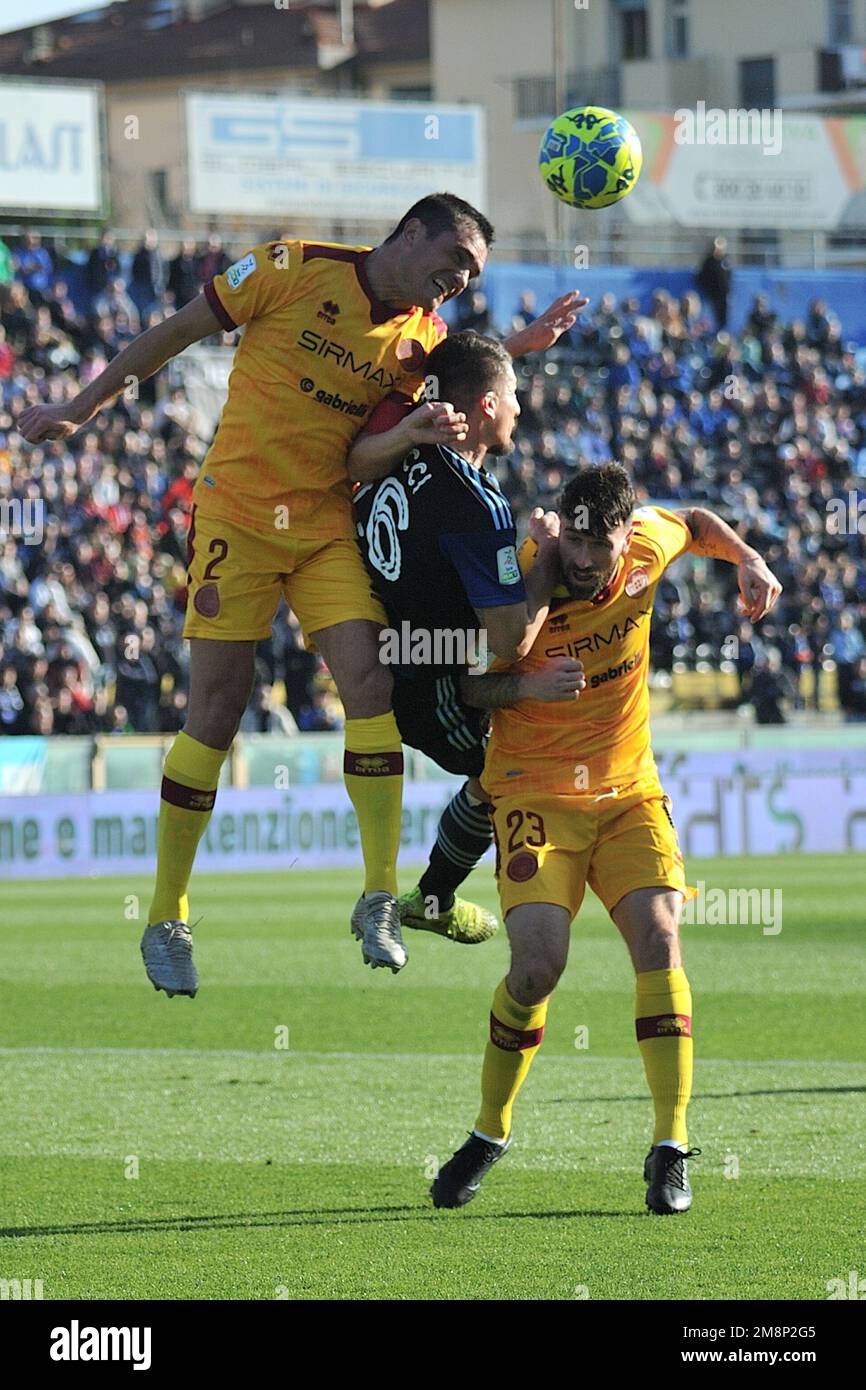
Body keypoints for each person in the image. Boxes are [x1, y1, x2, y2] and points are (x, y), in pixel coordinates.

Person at [16, 192, 583, 999]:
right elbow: (174, 334)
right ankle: (167, 911)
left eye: (473, 273)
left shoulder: (421, 338)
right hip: (236, 515)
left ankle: (379, 896)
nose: (459, 279)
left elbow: (461, 373)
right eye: (454, 261)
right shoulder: (290, 270)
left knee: (370, 684)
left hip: (321, 526)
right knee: (216, 709)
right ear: (410, 233)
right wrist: (81, 407)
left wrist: (519, 345)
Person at [430, 462, 782, 1215]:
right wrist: (523, 684)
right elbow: (460, 682)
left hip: (628, 793)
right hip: (533, 790)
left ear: (627, 534)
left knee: (660, 936)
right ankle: (490, 1130)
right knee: (536, 969)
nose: (585, 558)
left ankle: (670, 1145)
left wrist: (747, 557)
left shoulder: (650, 545)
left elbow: (693, 516)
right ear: (560, 525)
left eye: (601, 543)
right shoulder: (523, 571)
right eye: (576, 541)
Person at [352, 331, 562, 948]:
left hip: (389, 652)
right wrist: (544, 557)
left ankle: (436, 894)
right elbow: (513, 638)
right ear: (488, 406)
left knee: (506, 760)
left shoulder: (405, 449)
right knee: (514, 767)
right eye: (514, 394)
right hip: (430, 682)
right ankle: (440, 899)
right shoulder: (477, 505)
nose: (521, 407)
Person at [695, 236, 731, 331]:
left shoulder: (725, 261)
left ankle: (722, 332)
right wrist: (710, 289)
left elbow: (728, 276)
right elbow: (701, 278)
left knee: (723, 317)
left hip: (724, 295)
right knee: (710, 317)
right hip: (712, 296)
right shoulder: (708, 262)